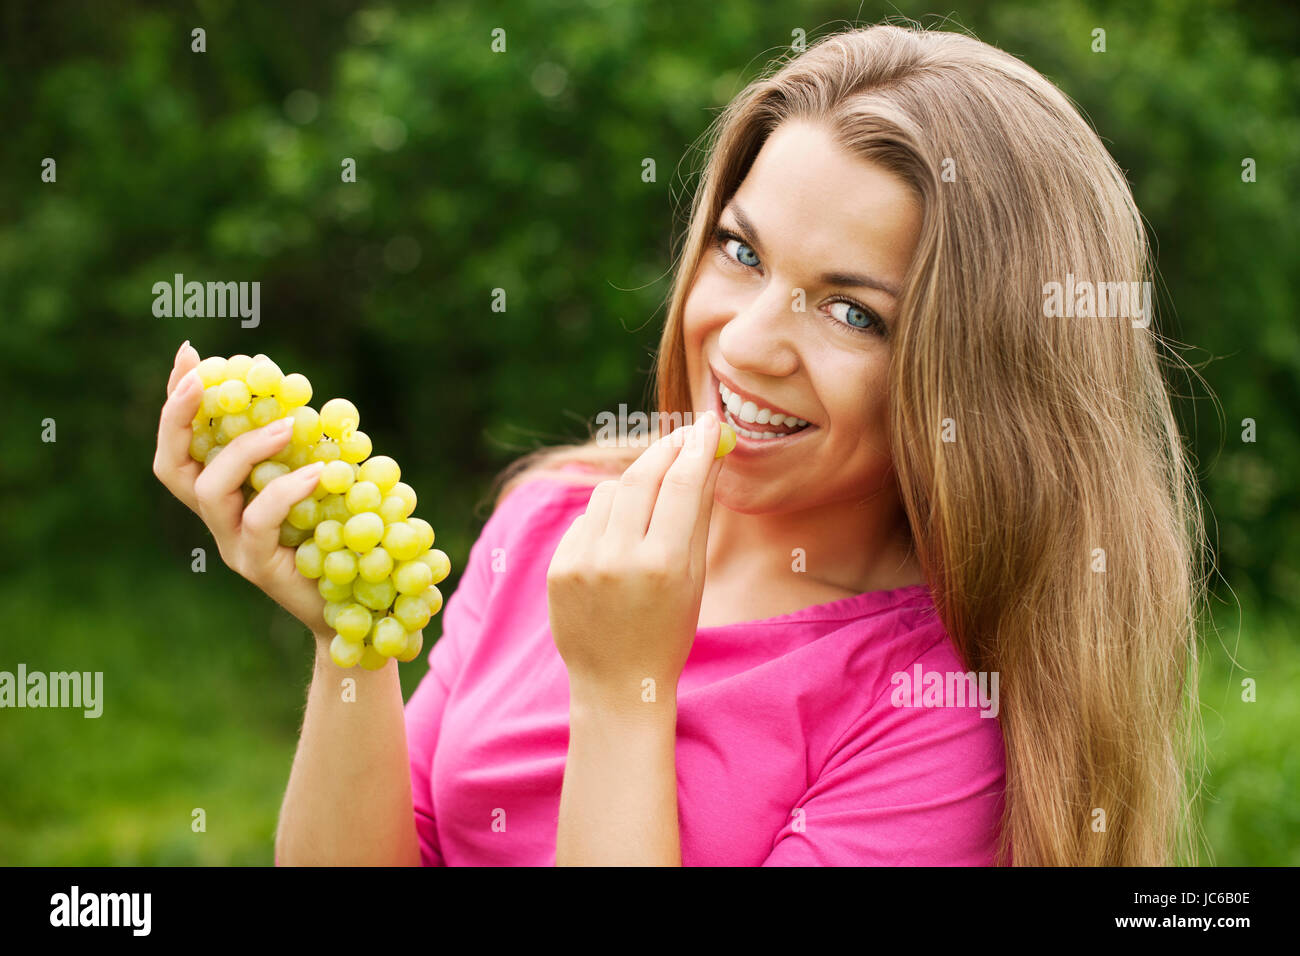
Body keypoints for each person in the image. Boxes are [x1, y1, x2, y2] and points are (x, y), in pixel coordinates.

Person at [153, 24, 1206, 866]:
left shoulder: (947, 717)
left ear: (983, 381)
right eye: (740, 250)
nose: (744, 341)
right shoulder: (554, 518)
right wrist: (353, 638)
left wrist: (625, 691)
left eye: (851, 313)